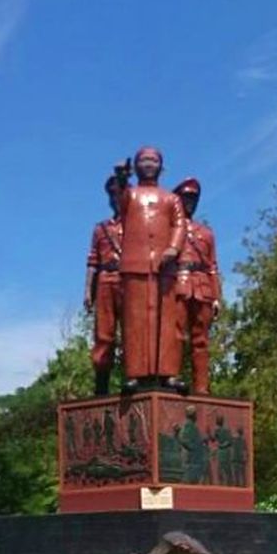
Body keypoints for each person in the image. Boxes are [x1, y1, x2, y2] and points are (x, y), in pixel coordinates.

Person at [112, 147, 187, 392]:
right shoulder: (130, 196)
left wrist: (173, 249)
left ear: (161, 166)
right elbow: (121, 201)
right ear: (136, 165)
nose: (148, 164)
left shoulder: (171, 199)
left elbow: (179, 225)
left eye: (153, 160)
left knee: (167, 322)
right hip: (135, 264)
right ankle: (134, 373)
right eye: (143, 160)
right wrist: (123, 178)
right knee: (134, 322)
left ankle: (168, 373)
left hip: (164, 268)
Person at [173, 177, 222, 395]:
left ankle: (202, 388)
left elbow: (212, 266)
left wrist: (217, 296)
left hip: (202, 288)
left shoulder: (206, 233)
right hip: (179, 284)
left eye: (194, 198)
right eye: (186, 197)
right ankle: (172, 380)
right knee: (176, 335)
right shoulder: (170, 229)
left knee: (201, 340)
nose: (190, 201)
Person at [84, 177, 124, 395]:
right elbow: (92, 261)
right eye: (111, 195)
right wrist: (88, 291)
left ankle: (133, 381)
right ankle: (101, 387)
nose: (115, 199)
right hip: (105, 280)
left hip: (128, 280)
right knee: (104, 335)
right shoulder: (101, 229)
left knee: (132, 334)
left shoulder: (136, 224)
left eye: (118, 193)